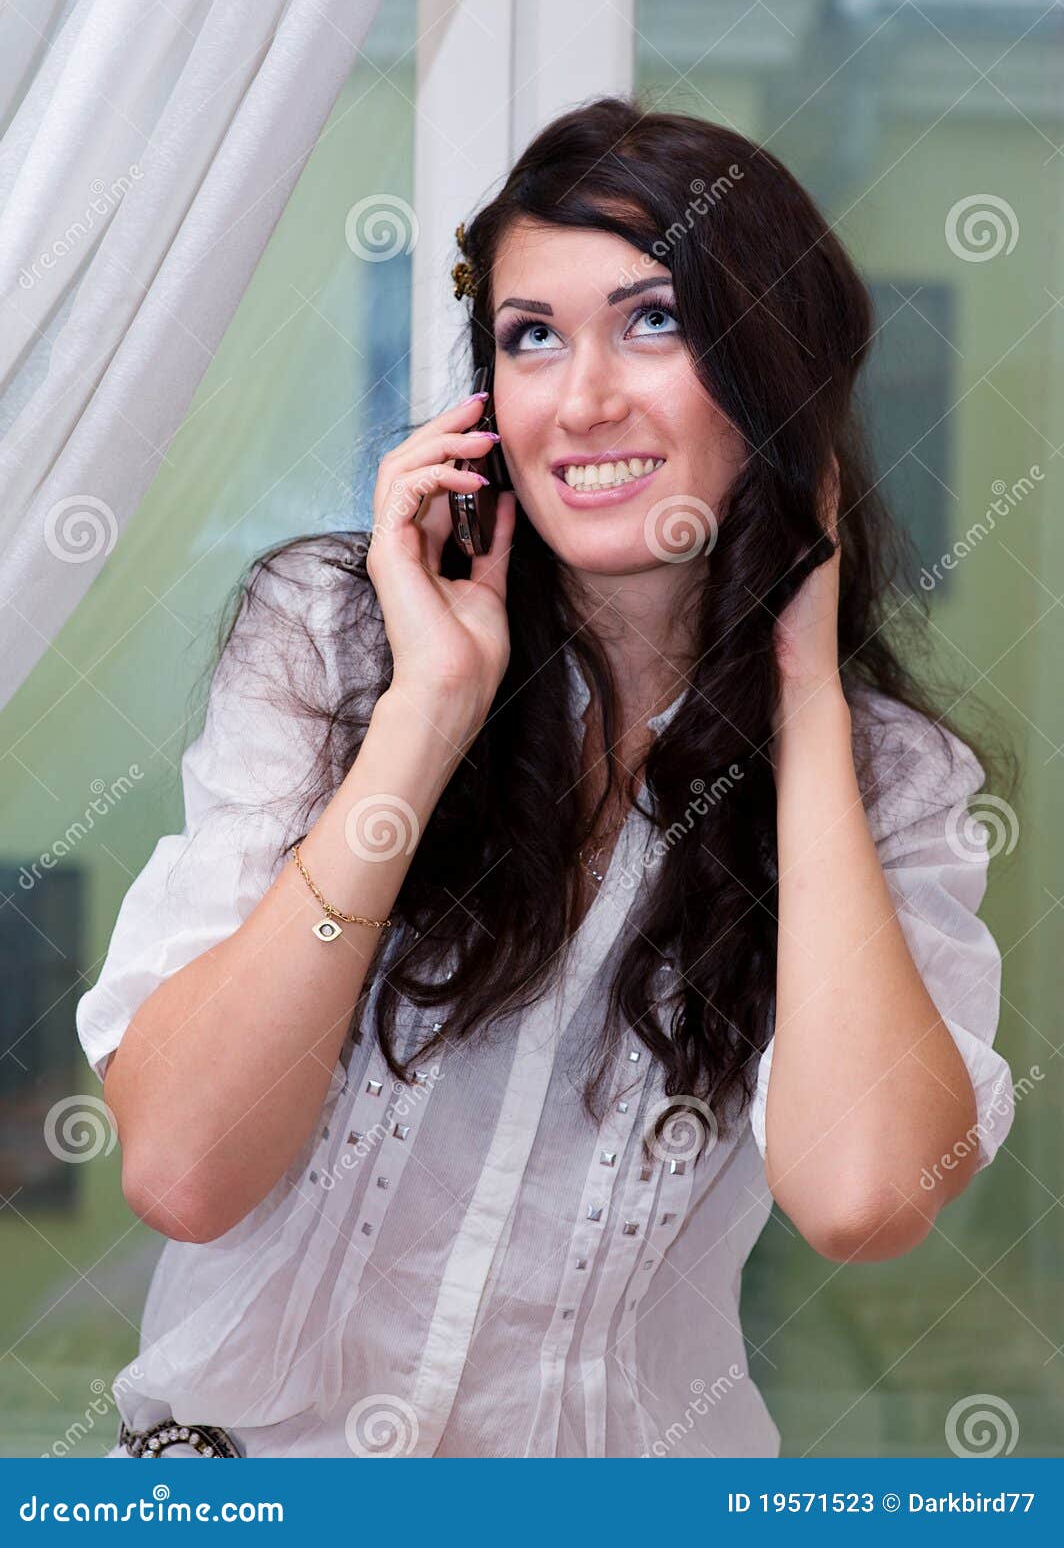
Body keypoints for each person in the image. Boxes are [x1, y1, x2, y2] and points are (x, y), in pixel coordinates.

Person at [78, 96, 1015, 1460]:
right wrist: (430, 711)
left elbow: (866, 1194)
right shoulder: (333, 645)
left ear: (776, 375)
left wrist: (805, 700)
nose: (580, 400)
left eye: (652, 320)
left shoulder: (894, 779)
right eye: (532, 337)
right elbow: (181, 1167)